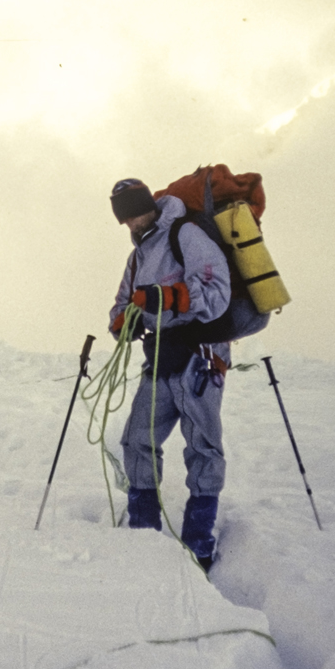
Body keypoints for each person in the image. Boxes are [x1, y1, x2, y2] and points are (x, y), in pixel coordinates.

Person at [107, 178, 232, 571]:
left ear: (150, 206)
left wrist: (164, 298)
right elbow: (121, 305)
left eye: (135, 214)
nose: (132, 224)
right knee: (137, 439)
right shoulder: (137, 257)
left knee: (202, 444)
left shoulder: (186, 234)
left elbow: (216, 292)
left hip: (201, 354)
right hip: (161, 355)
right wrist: (123, 322)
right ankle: (144, 534)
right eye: (125, 219)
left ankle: (199, 542)